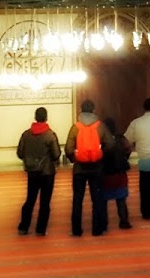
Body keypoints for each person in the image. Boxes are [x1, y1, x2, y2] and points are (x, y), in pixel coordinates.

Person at [65, 99, 115, 236]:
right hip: (97, 167)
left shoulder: (75, 127)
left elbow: (68, 149)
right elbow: (110, 144)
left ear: (81, 110)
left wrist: (76, 158)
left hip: (79, 168)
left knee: (77, 199)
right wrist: (100, 153)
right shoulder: (100, 126)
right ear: (93, 110)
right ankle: (97, 229)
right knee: (97, 198)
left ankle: (76, 230)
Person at [16, 106, 61, 236]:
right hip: (47, 173)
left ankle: (23, 227)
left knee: (30, 199)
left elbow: (20, 153)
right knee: (45, 202)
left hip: (32, 172)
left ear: (35, 117)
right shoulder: (50, 135)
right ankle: (40, 229)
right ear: (46, 118)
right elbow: (56, 154)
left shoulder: (26, 134)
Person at [100, 117, 133, 230]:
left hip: (105, 174)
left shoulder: (101, 139)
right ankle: (124, 222)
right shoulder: (120, 138)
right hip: (119, 174)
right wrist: (124, 159)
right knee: (121, 199)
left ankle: (103, 224)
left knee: (103, 200)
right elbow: (128, 149)